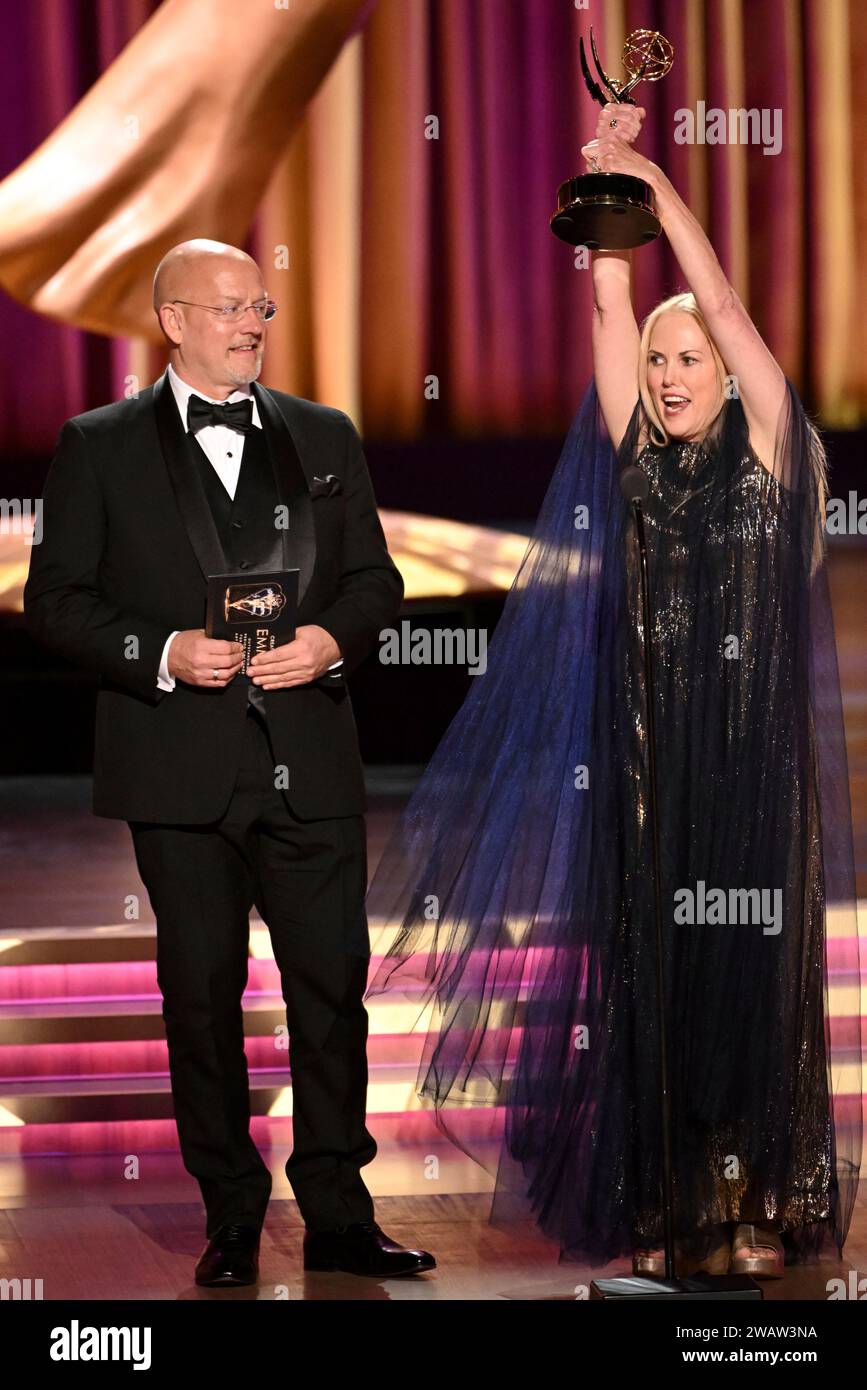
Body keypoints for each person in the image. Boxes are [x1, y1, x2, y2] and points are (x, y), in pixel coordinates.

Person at [362, 108, 861, 1278]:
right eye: (660, 362)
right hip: (648, 758)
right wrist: (600, 178)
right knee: (661, 978)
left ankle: (745, 1200)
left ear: (733, 383)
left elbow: (726, 312)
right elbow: (606, 303)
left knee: (744, 980)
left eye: (691, 363)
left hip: (751, 772)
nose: (673, 374)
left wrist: (653, 178)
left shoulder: (777, 452)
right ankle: (676, 1192)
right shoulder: (637, 452)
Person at [24, 238, 436, 1286]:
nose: (252, 324)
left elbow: (375, 582)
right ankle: (230, 1210)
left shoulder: (326, 434)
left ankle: (341, 1212)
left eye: (260, 306)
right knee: (200, 995)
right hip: (178, 769)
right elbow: (57, 601)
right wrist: (159, 651)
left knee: (332, 992)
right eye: (228, 309)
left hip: (312, 763)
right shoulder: (98, 444)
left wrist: (331, 640)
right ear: (171, 321)